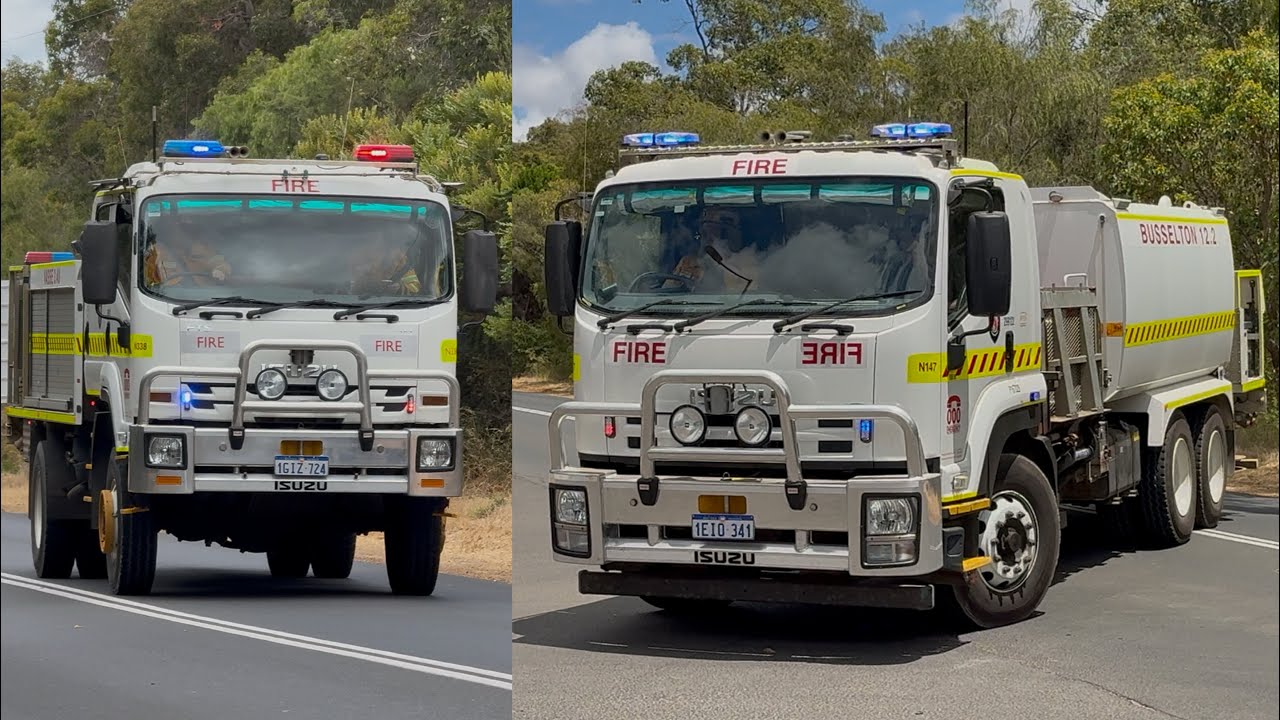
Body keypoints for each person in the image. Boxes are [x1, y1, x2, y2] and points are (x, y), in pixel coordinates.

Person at [142, 220, 232, 288]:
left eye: (184, 231)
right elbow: (149, 277)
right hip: (169, 296)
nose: (181, 235)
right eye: (172, 231)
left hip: (204, 294)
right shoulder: (156, 251)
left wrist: (220, 271)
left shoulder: (202, 248)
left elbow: (220, 263)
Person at [351, 238, 422, 296]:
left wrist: (400, 288)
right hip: (360, 303)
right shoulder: (360, 256)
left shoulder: (401, 258)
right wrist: (365, 284)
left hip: (394, 305)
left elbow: (415, 289)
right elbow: (348, 285)